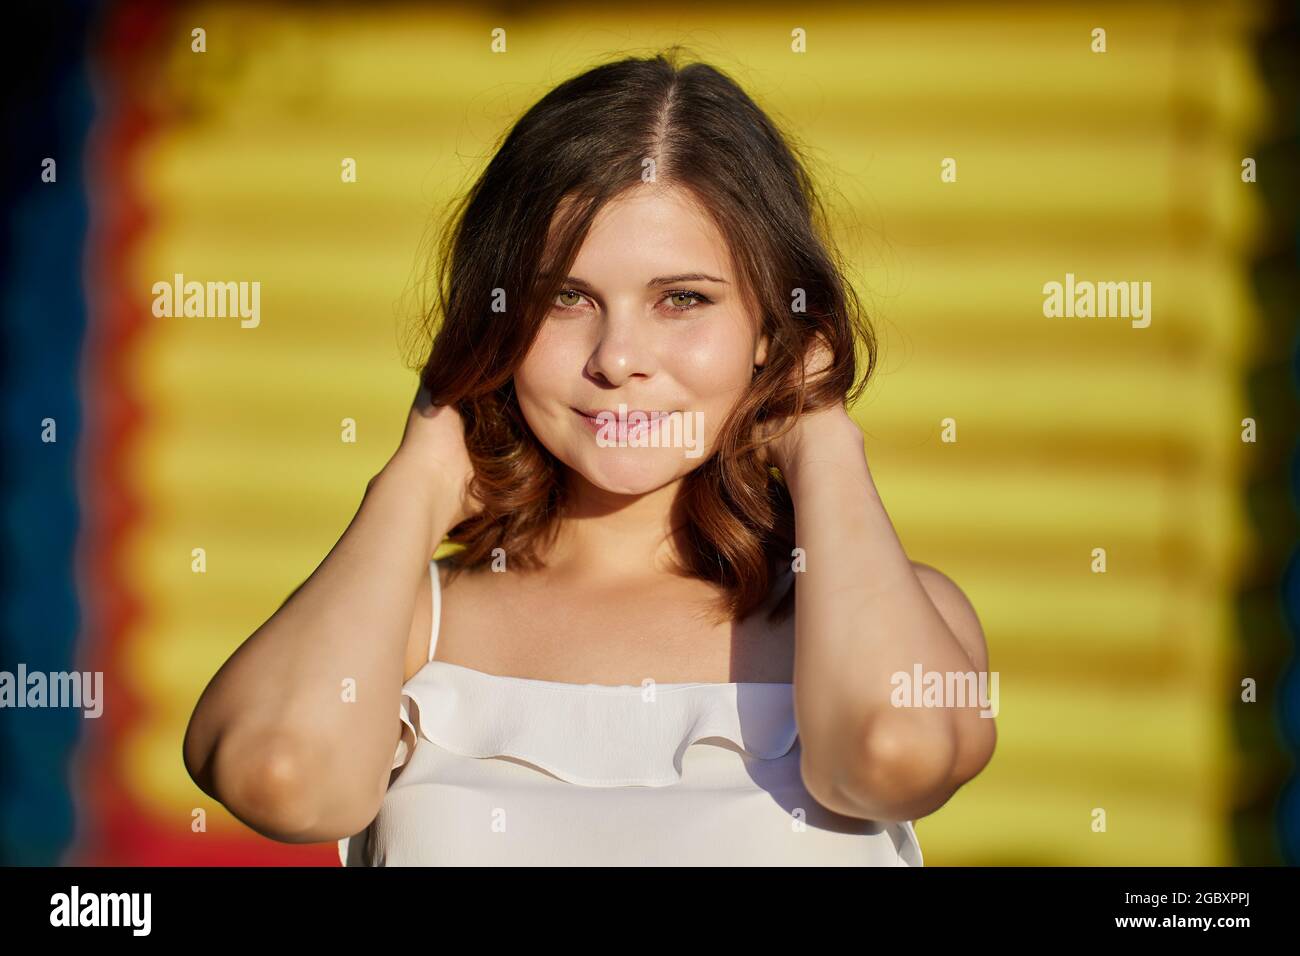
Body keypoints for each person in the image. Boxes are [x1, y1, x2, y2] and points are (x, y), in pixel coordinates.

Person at [183, 48, 995, 866]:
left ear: (771, 330)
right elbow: (277, 775)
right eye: (565, 298)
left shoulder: (893, 614)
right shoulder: (409, 621)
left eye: (683, 299)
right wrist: (415, 480)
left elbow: (898, 755)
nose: (617, 357)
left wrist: (822, 440)